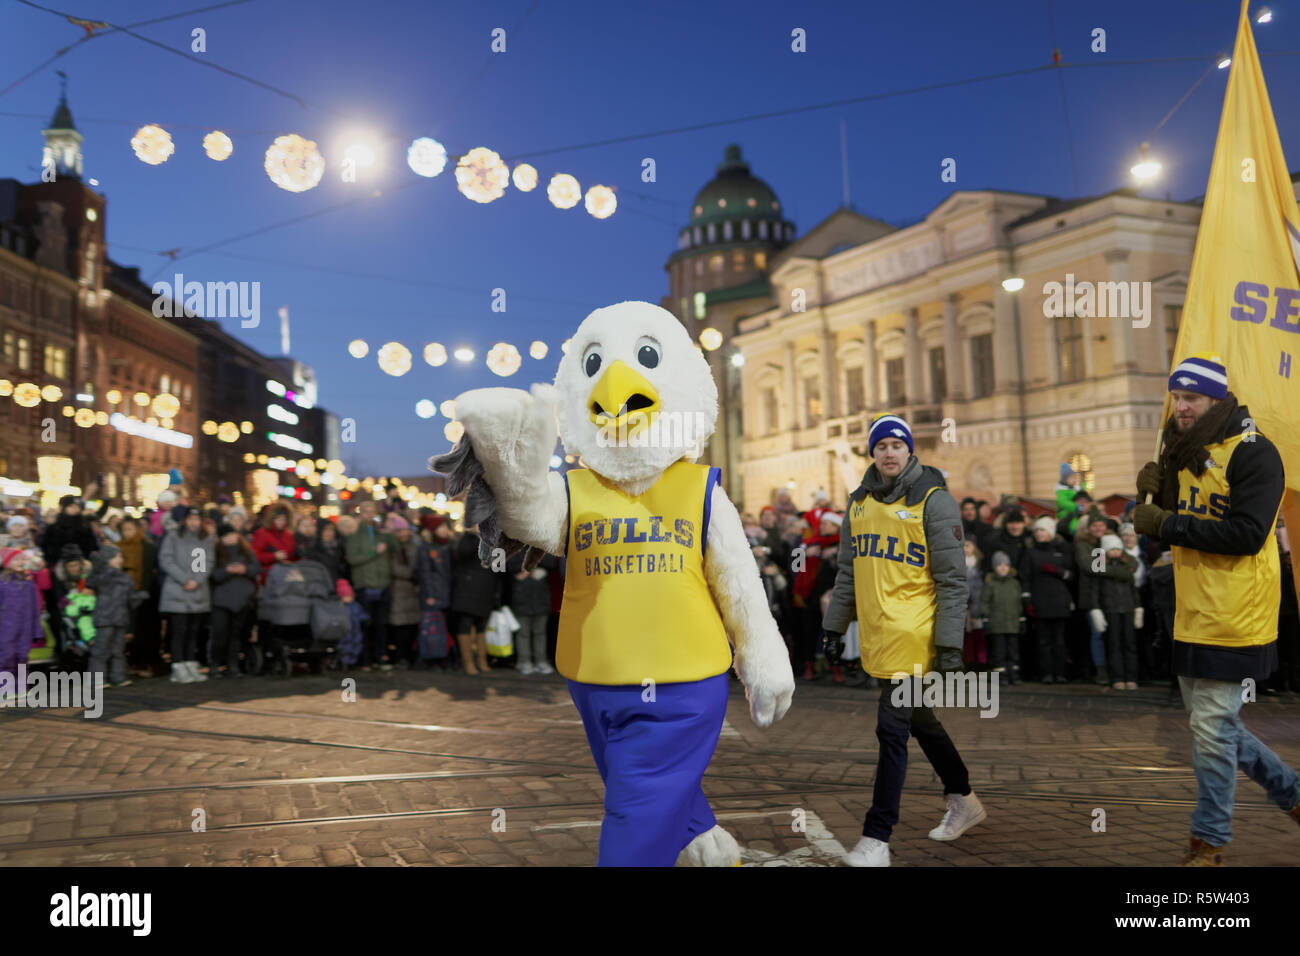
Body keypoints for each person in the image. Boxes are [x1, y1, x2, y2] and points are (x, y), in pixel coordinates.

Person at [1132, 353, 1300, 865]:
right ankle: (1292, 794)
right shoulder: (1181, 449)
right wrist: (1156, 499)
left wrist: (1167, 524)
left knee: (1211, 730)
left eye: (1192, 398)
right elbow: (1165, 526)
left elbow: (1248, 536)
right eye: (1177, 397)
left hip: (1237, 615)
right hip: (1192, 610)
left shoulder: (1256, 453)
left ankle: (1209, 840)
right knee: (1217, 728)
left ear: (1217, 400)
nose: (1181, 407)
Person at [822, 414, 985, 866]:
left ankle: (876, 838)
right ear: (871, 453)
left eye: (897, 445)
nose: (890, 453)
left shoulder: (935, 501)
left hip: (918, 637)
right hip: (880, 638)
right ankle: (964, 799)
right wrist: (834, 627)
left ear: (910, 450)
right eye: (881, 446)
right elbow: (848, 575)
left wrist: (951, 647)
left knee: (890, 728)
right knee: (921, 723)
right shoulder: (858, 505)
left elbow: (954, 581)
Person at [158, 509, 215, 683]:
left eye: (197, 519)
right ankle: (178, 665)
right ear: (184, 520)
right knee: (179, 631)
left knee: (193, 631)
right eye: (191, 519)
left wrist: (196, 580)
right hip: (177, 591)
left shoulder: (204, 539)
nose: (194, 523)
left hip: (196, 592)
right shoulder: (173, 536)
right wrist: (184, 579)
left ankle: (190, 663)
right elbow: (166, 560)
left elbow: (206, 562)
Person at [1021, 515, 1075, 683]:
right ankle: (1046, 673)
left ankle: (1060, 672)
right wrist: (1028, 601)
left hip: (1059, 601)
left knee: (1059, 641)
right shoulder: (1030, 553)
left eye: (1043, 530)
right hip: (1040, 602)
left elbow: (1072, 575)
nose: (1039, 534)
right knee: (1043, 641)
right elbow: (1025, 579)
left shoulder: (1061, 550)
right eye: (1037, 530)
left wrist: (1058, 572)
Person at [345, 500, 394, 670]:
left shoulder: (381, 530)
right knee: (365, 623)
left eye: (372, 510)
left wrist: (390, 531)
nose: (370, 514)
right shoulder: (355, 532)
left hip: (383, 583)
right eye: (366, 510)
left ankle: (380, 657)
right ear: (360, 512)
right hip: (365, 584)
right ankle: (364, 659)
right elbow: (352, 558)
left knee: (381, 623)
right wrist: (373, 552)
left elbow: (394, 548)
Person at [1089, 533, 1139, 691]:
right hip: (1111, 608)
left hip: (1128, 608)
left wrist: (1138, 607)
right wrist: (1096, 608)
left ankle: (1131, 677)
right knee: (1114, 644)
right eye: (1112, 549)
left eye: (1118, 548)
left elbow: (1133, 588)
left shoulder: (1128, 564)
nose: (1115, 552)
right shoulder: (1099, 564)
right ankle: (1117, 677)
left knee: (1130, 644)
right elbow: (1094, 589)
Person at [209, 523, 257, 678]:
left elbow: (256, 568)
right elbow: (210, 574)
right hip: (221, 600)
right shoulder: (214, 552)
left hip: (242, 599)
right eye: (225, 536)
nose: (230, 538)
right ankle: (215, 664)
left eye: (232, 535)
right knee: (219, 634)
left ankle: (233, 665)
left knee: (236, 635)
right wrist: (227, 571)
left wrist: (245, 570)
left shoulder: (247, 551)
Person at [450, 526, 500, 676]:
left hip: (486, 590)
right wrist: (474, 535)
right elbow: (463, 553)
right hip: (467, 590)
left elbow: (500, 567)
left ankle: (482, 660)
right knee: (465, 624)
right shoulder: (467, 539)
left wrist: (498, 593)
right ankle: (468, 662)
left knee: (481, 626)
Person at [86, 543, 135, 687]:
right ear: (108, 559)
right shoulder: (101, 576)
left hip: (120, 617)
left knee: (118, 650)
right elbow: (90, 583)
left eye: (120, 556)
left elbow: (129, 597)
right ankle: (97, 679)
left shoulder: (125, 577)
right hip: (105, 618)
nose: (120, 559)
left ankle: (118, 677)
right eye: (117, 557)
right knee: (101, 649)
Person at [1074, 508, 1112, 685]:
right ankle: (1101, 670)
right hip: (1091, 596)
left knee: (1112, 634)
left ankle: (1113, 669)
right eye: (1095, 525)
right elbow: (1092, 568)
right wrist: (1108, 564)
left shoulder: (1108, 540)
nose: (1098, 528)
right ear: (1088, 528)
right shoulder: (1083, 544)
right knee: (1097, 634)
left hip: (1111, 596)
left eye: (1101, 524)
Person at [506, 548, 558, 674]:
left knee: (540, 632)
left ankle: (541, 661)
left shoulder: (540, 544)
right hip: (521, 597)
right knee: (523, 633)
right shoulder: (514, 545)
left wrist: (532, 567)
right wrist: (529, 569)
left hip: (540, 597)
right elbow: (507, 564)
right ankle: (524, 661)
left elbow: (552, 562)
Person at [979, 552, 1022, 685]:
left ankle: (1014, 675)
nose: (1003, 568)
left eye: (1005, 565)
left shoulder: (1015, 583)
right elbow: (984, 601)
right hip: (997, 624)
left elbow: (1018, 603)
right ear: (994, 567)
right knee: (999, 652)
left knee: (1013, 651)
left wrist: (1021, 618)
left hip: (1013, 624)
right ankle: (1001, 676)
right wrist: (985, 617)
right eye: (999, 565)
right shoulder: (990, 584)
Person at [386, 514, 421, 667]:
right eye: (398, 531)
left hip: (413, 591)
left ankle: (410, 656)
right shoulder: (392, 549)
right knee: (399, 627)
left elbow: (419, 565)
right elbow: (393, 568)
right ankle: (400, 657)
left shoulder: (415, 546)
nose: (402, 534)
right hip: (398, 590)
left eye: (404, 530)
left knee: (412, 626)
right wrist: (410, 573)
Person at [252, 505, 296, 582]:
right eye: (278, 519)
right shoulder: (262, 533)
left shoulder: (288, 535)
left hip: (286, 572)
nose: (281, 522)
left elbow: (291, 555)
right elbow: (254, 556)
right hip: (268, 574)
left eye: (284, 519)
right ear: (271, 519)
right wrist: (273, 556)